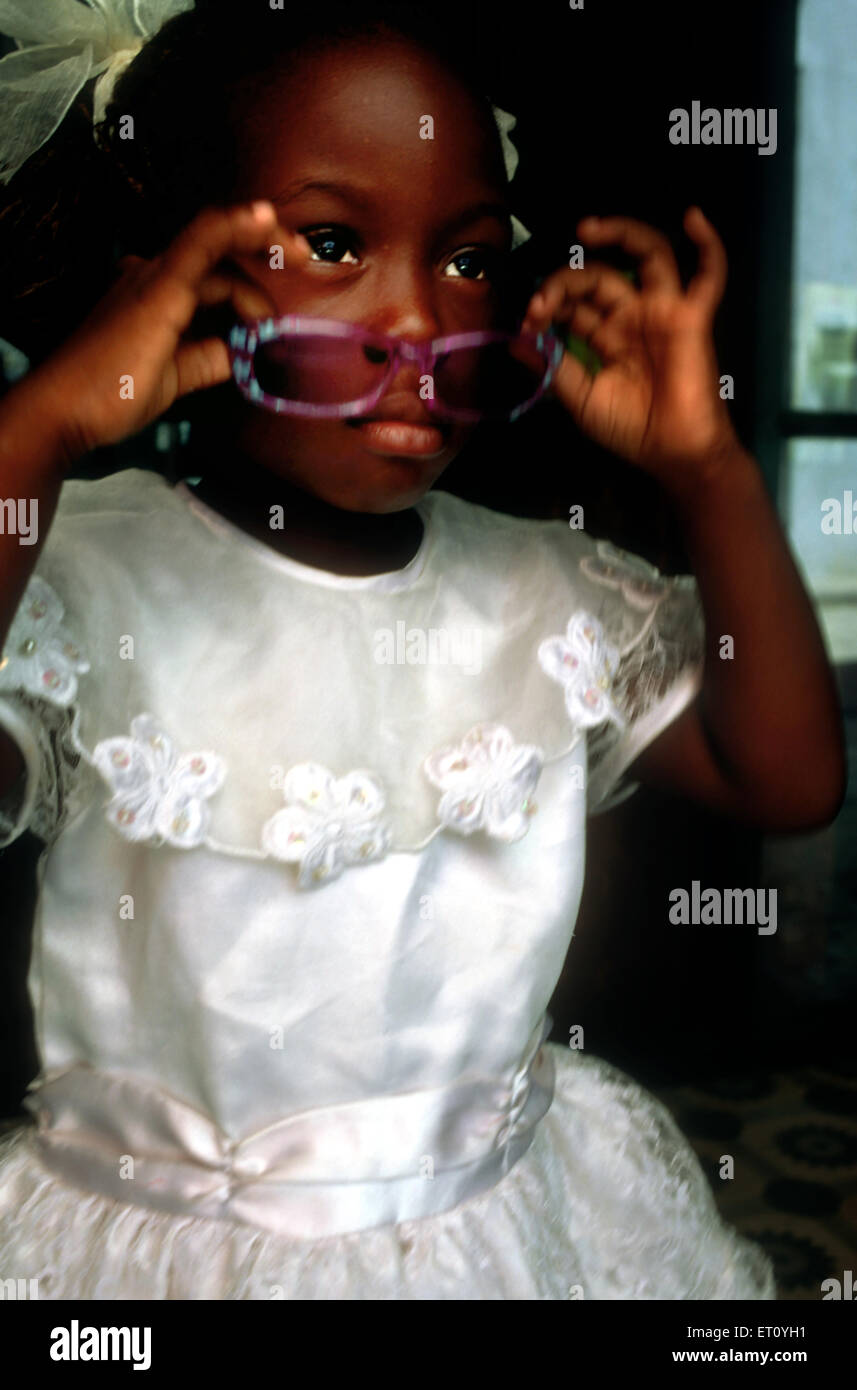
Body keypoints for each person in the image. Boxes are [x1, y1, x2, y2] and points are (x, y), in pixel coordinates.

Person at [0, 0, 844, 1299]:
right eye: (335, 242)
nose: (417, 322)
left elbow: (787, 779)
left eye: (465, 259)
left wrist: (711, 474)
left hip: (493, 1236)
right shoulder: (82, 572)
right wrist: (41, 428)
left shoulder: (543, 589)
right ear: (169, 265)